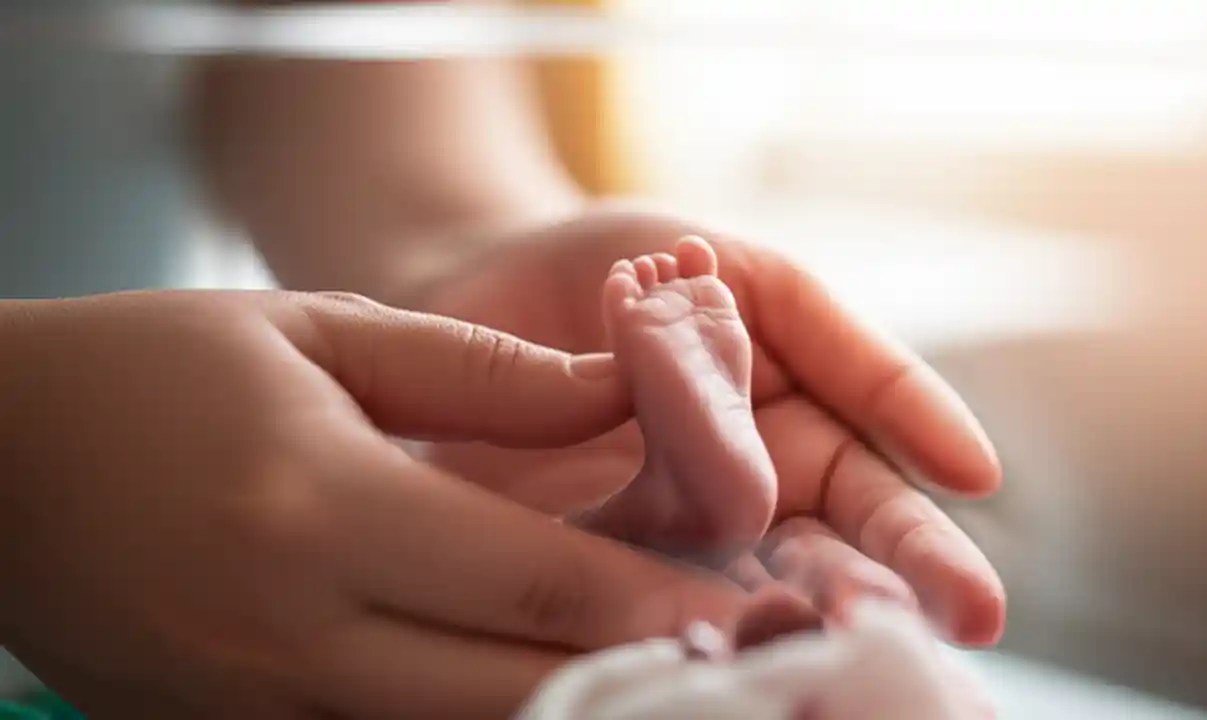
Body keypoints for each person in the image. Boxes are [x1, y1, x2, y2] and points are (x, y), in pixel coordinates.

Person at [0, 7, 1005, 719]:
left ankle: (678, 499)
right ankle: (685, 498)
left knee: (635, 603)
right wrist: (24, 446)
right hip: (174, 556)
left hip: (213, 577)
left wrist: (467, 271)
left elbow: (360, 121)